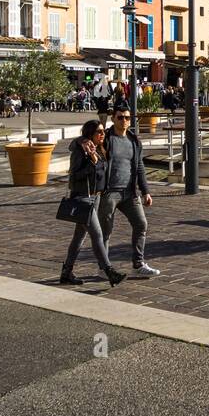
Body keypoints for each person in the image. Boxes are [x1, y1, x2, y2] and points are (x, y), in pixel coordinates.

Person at [60, 120, 125, 287]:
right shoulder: (81, 151)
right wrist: (91, 162)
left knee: (79, 237)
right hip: (83, 197)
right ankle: (109, 271)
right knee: (97, 234)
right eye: (98, 132)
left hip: (96, 198)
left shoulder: (100, 148)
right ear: (89, 134)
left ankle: (66, 273)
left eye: (103, 131)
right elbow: (75, 175)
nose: (102, 134)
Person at [98, 107, 159, 278]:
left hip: (129, 192)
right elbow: (82, 142)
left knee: (141, 224)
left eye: (126, 118)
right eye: (120, 117)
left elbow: (139, 167)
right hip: (109, 193)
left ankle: (138, 264)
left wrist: (146, 191)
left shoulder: (134, 140)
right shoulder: (106, 138)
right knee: (105, 231)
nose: (123, 121)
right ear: (113, 118)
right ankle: (104, 267)